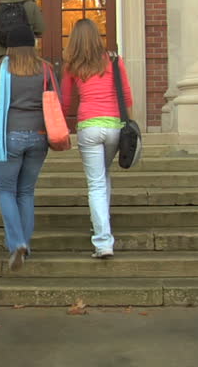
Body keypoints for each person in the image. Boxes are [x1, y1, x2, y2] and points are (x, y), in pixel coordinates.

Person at [0, 24, 51, 271]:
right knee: (26, 193)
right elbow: (57, 101)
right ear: (33, 46)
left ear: (10, 47)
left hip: (10, 136)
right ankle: (25, 244)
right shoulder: (45, 69)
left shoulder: (3, 69)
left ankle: (17, 242)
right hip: (40, 136)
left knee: (6, 191)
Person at [61, 19, 133, 259]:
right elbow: (127, 96)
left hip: (89, 127)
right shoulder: (114, 60)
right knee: (103, 175)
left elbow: (65, 101)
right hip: (114, 126)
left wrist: (58, 127)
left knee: (96, 182)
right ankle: (102, 226)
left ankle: (103, 241)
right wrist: (130, 125)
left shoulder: (72, 65)